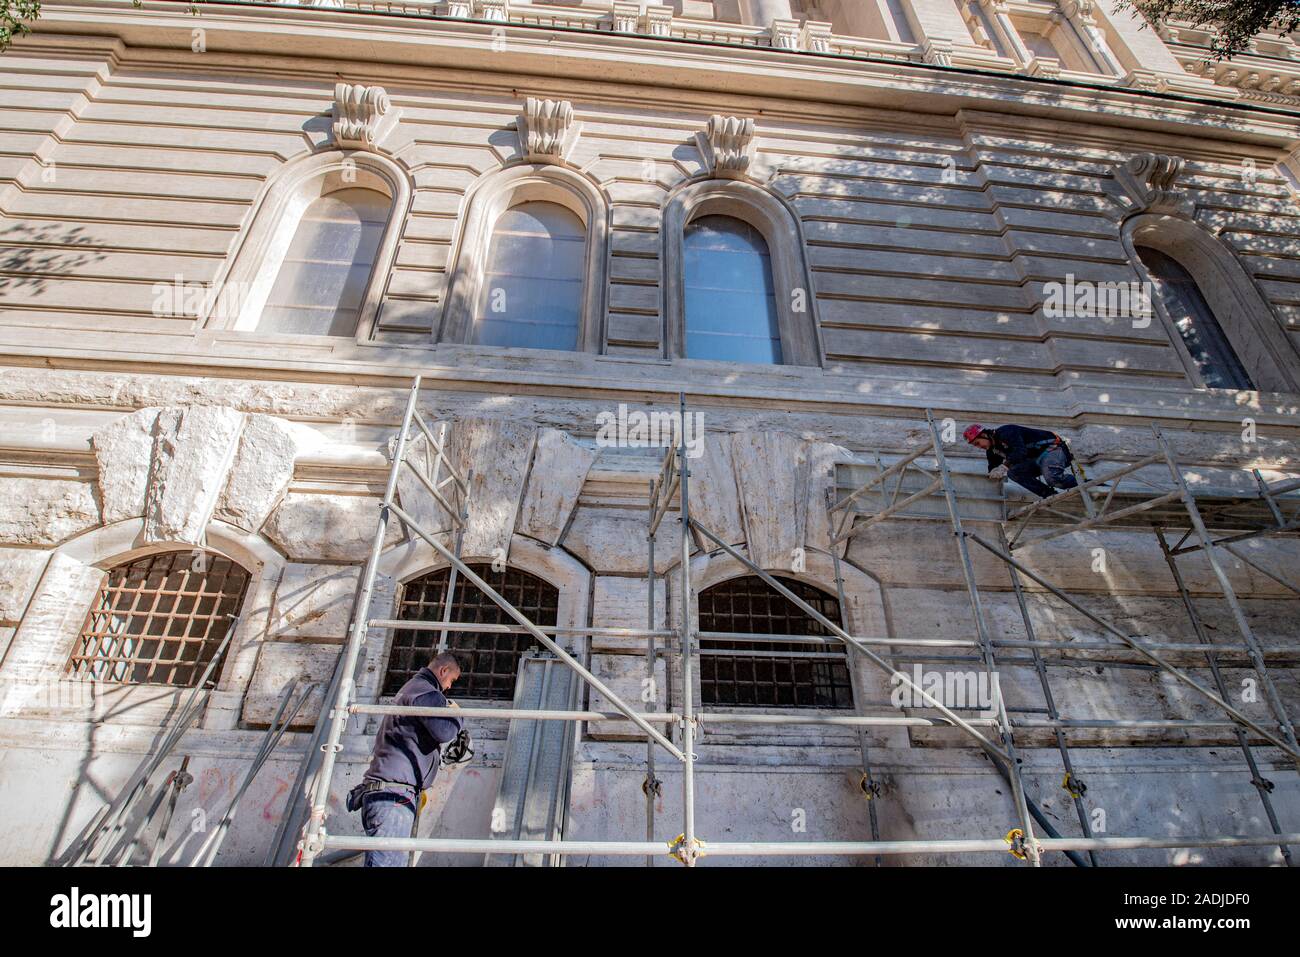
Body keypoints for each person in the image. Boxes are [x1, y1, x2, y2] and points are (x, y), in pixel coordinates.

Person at [348, 651, 463, 867]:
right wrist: (457, 715)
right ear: (443, 670)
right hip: (393, 797)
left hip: (387, 794)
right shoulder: (427, 693)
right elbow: (445, 732)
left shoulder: (411, 688)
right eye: (451, 680)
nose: (448, 687)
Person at [963, 422, 1078, 500]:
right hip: (1036, 459)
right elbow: (993, 468)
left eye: (977, 443)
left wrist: (1004, 467)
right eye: (975, 445)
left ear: (984, 435)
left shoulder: (1006, 432)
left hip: (1052, 449)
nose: (979, 446)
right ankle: (1049, 495)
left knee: (1053, 479)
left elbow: (1020, 451)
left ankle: (1083, 484)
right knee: (1014, 473)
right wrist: (992, 475)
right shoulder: (992, 450)